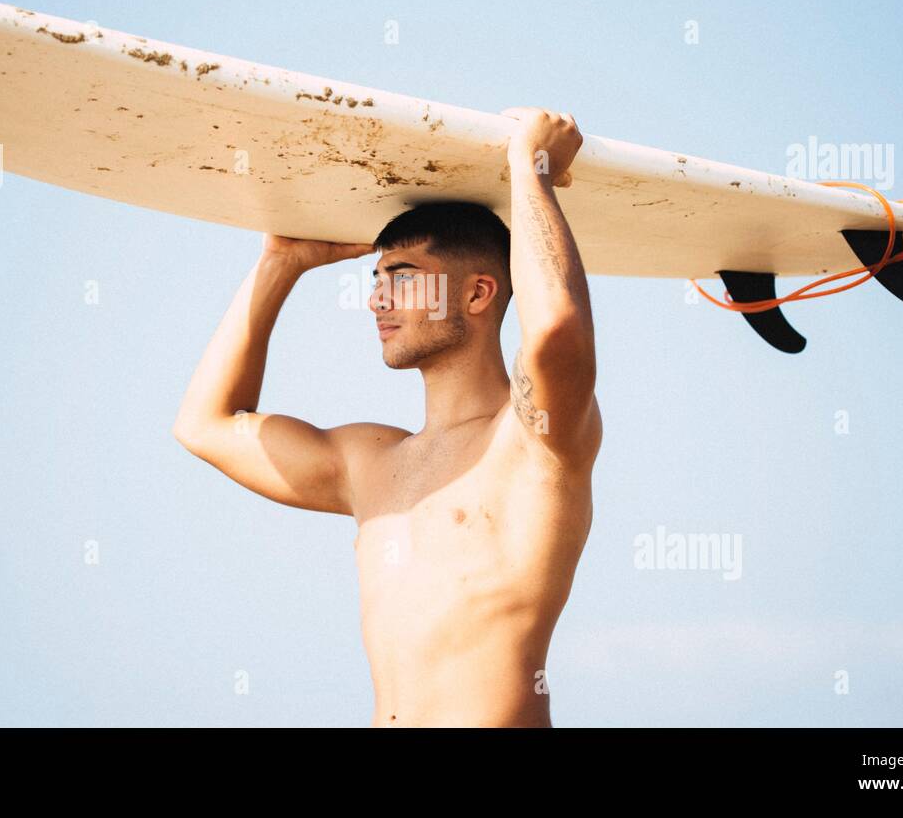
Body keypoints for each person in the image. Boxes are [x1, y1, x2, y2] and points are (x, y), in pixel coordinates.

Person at [173, 107, 601, 726]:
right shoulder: (370, 463)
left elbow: (558, 330)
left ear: (479, 293)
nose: (376, 297)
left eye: (401, 277)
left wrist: (527, 168)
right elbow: (204, 425)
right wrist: (280, 264)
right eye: (375, 279)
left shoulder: (534, 439)